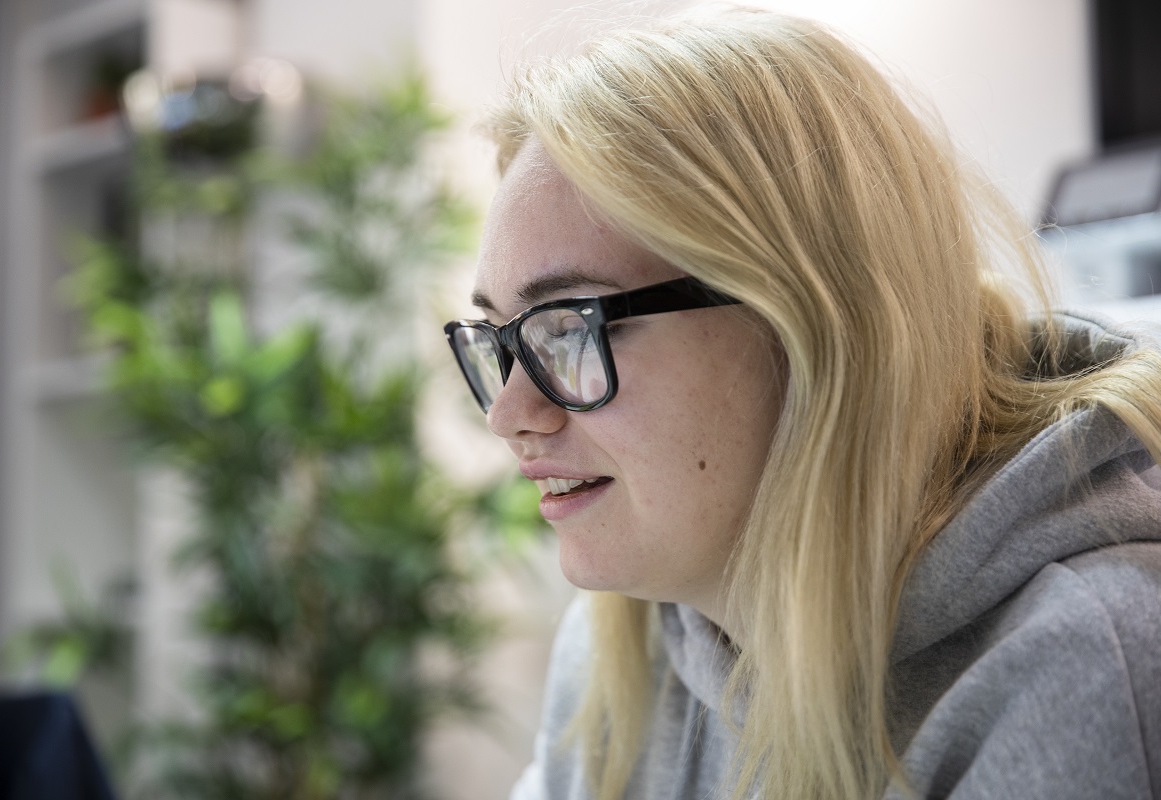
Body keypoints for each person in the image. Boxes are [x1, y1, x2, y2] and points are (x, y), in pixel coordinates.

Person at [442, 7, 1161, 800]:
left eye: (568, 326)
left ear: (808, 323)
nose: (508, 414)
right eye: (500, 340)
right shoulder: (630, 634)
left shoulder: (1083, 668)